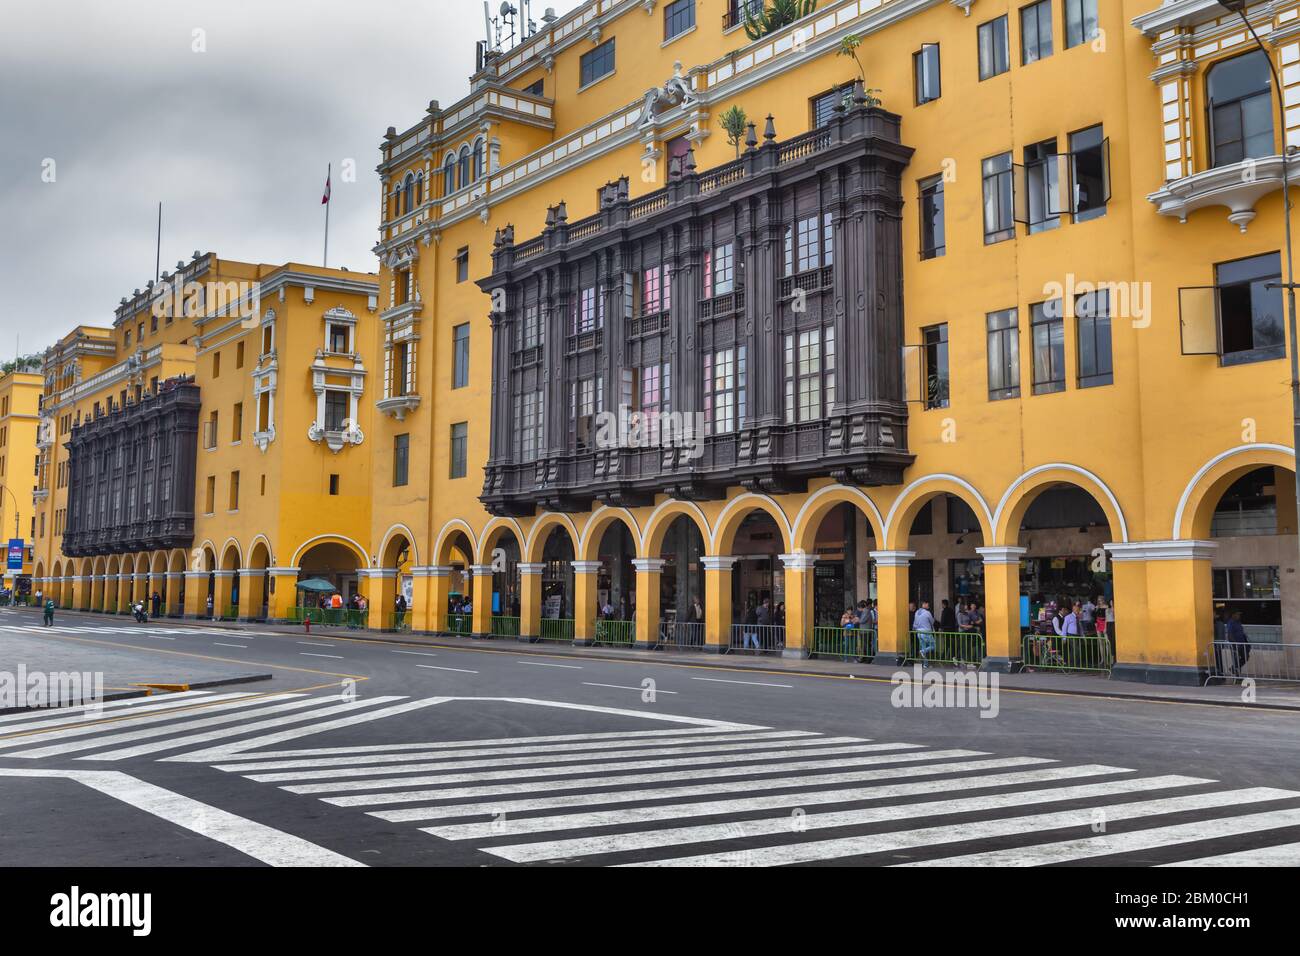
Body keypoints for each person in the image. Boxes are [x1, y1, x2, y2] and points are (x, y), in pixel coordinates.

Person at [1225, 610, 1251, 677]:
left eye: (1239, 614)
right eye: (1237, 614)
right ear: (1233, 615)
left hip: (1242, 644)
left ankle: (1234, 668)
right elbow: (1230, 635)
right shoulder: (1230, 623)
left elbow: (1241, 633)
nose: (1239, 616)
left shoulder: (1238, 622)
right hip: (1235, 645)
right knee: (1236, 659)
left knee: (1245, 657)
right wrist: (1234, 644)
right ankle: (1237, 675)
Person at [913, 600, 936, 665]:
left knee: (923, 646)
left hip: (919, 633)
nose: (928, 605)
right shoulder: (927, 613)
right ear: (924, 604)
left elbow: (915, 623)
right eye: (927, 604)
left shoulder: (916, 612)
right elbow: (932, 622)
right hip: (926, 632)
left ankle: (925, 664)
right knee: (933, 646)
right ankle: (922, 651)